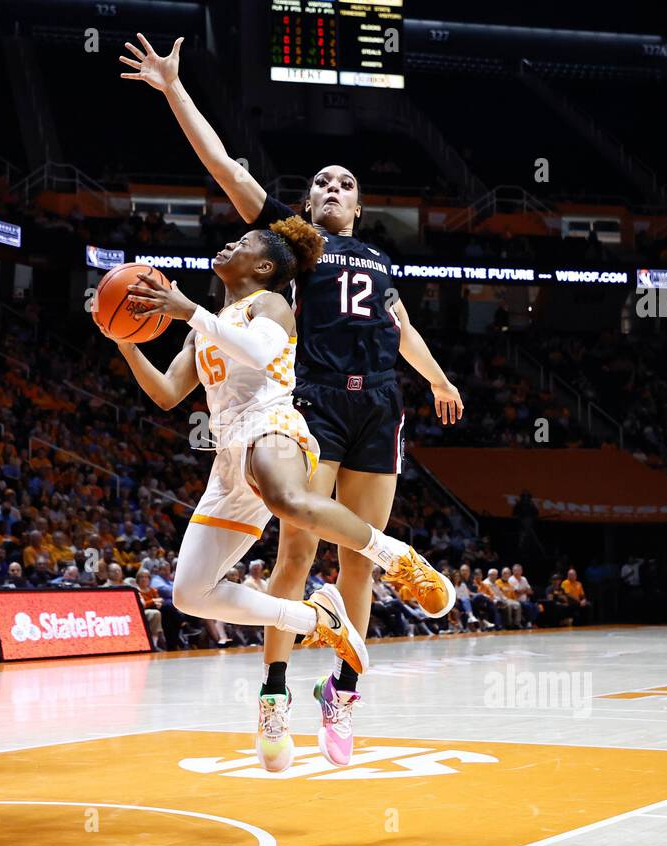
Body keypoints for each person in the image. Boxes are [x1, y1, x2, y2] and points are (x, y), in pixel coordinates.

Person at [121, 35, 462, 762]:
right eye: (323, 182)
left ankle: (342, 694)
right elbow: (224, 166)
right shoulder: (295, 244)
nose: (333, 187)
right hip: (312, 401)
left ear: (360, 205)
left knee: (357, 563)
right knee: (298, 547)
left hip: (380, 405)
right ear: (306, 204)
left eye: (346, 183)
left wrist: (437, 378)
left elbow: (402, 330)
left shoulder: (380, 261)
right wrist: (174, 89)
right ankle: (274, 692)